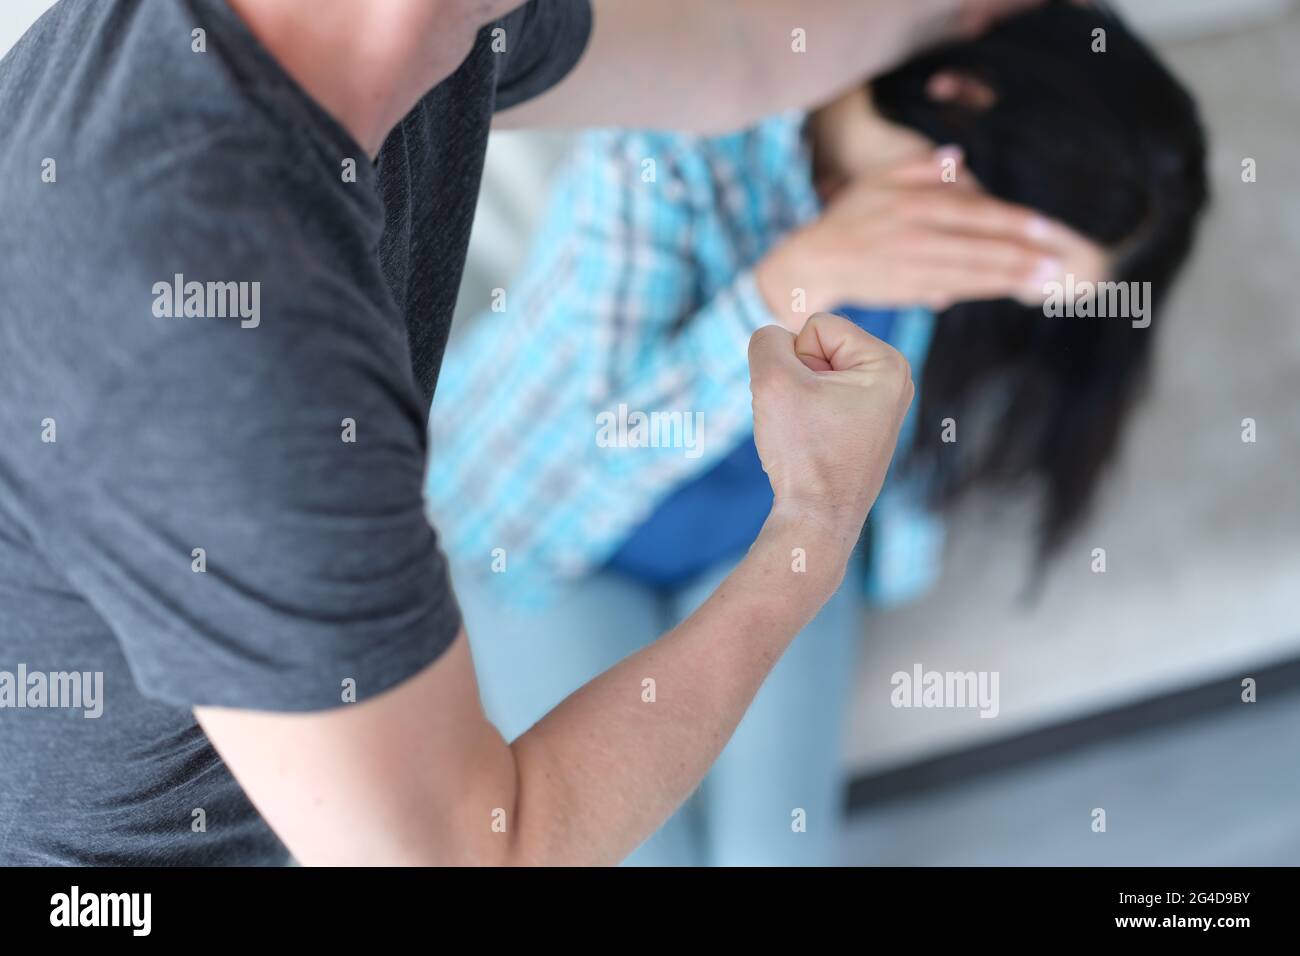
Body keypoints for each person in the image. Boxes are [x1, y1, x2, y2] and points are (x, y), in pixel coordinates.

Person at [0, 0, 1051, 866]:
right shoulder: (202, 311)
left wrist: (961, 16)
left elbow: (733, 52)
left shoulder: (433, 27)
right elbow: (480, 849)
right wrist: (813, 528)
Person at [428, 0, 1208, 865]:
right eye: (997, 254)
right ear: (959, 97)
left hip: (776, 534)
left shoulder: (949, 224)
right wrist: (796, 282)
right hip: (545, 538)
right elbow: (586, 454)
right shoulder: (667, 154)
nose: (981, 286)